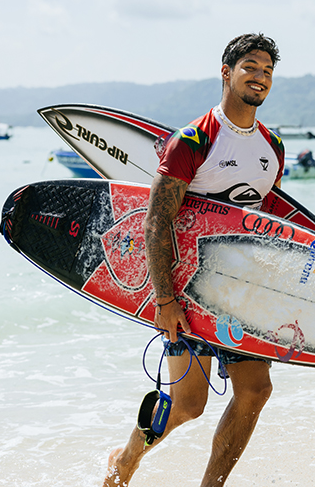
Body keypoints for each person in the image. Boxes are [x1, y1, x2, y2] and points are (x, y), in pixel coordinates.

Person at [104, 33, 284, 487]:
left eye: (267, 70)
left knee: (256, 390)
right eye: (250, 67)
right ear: (226, 72)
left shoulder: (273, 147)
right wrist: (164, 299)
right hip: (187, 290)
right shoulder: (193, 140)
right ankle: (126, 459)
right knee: (188, 405)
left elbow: (269, 224)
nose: (260, 77)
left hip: (240, 290)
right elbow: (155, 221)